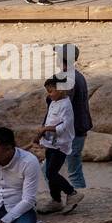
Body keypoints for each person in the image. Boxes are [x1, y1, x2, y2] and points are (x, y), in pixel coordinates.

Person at [35, 77, 82, 215]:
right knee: (50, 173)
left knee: (51, 172)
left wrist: (45, 129)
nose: (49, 94)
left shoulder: (66, 105)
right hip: (51, 144)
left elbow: (64, 126)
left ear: (61, 89)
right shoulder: (54, 102)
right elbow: (50, 120)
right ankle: (56, 200)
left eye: (51, 91)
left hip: (60, 145)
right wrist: (42, 134)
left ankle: (72, 193)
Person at [55, 45, 91, 189]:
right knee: (72, 171)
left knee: (69, 173)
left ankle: (73, 199)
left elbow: (63, 107)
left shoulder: (66, 79)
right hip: (77, 129)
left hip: (72, 131)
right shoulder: (77, 75)